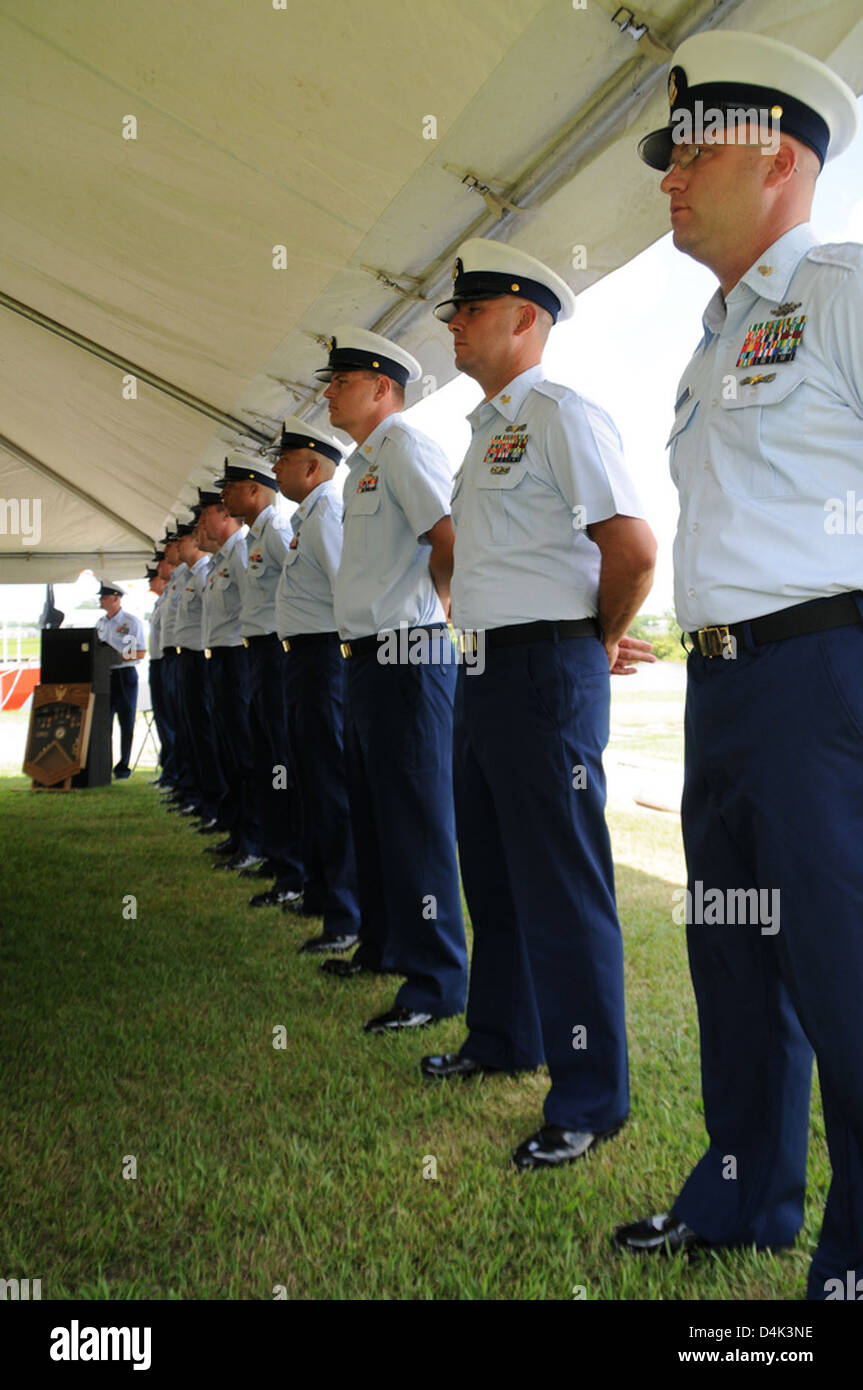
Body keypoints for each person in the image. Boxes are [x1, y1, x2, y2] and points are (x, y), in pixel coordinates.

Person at [612, 31, 863, 1302]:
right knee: (733, 952)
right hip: (720, 688)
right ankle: (742, 1197)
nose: (665, 177)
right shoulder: (713, 339)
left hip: (825, 679)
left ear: (773, 149)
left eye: (689, 149)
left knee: (842, 967)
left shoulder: (838, 289)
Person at [419, 239, 656, 1168]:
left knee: (560, 886)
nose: (453, 323)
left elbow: (631, 551)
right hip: (481, 672)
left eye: (470, 310)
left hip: (544, 671)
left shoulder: (561, 413)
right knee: (494, 871)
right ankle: (503, 1037)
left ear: (525, 317)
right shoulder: (481, 433)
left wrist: (591, 643)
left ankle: (591, 1097)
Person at [316, 326, 469, 1034]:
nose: (327, 393)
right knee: (374, 812)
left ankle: (436, 978)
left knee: (415, 820)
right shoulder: (359, 466)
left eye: (340, 382)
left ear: (382, 388)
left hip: (408, 653)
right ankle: (381, 945)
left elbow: (447, 538)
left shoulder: (405, 446)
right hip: (367, 659)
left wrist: (441, 616)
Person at [270, 414, 360, 955]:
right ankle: (324, 893)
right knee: (311, 779)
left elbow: (344, 586)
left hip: (325, 656)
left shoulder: (326, 512)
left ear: (312, 466)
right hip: (305, 660)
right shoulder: (309, 514)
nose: (275, 468)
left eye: (283, 459)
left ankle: (346, 913)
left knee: (330, 784)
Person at [218, 452, 306, 898]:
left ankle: (292, 867)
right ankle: (276, 855)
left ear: (254, 489)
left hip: (275, 653)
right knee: (265, 757)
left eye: (230, 487)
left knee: (279, 762)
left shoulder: (276, 530)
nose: (224, 495)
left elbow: (299, 586)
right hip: (259, 656)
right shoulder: (256, 534)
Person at [198, 487, 263, 868]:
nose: (203, 523)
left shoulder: (240, 551)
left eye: (207, 515)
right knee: (229, 750)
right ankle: (239, 833)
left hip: (239, 658)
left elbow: (251, 605)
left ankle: (253, 839)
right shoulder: (222, 558)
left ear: (225, 516)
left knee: (245, 751)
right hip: (220, 658)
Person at [172, 515, 227, 828]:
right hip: (191, 657)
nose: (194, 536)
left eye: (187, 536)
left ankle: (217, 804)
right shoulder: (198, 574)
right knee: (193, 733)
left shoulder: (208, 570)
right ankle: (204, 799)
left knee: (211, 737)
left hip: (211, 658)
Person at [96, 580, 145, 780]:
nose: (101, 600)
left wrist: (118, 656)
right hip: (104, 676)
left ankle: (123, 766)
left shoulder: (130, 623)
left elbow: (140, 652)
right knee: (103, 724)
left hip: (124, 676)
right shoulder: (100, 623)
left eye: (104, 597)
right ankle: (103, 764)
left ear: (116, 598)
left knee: (126, 723)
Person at [145, 558, 176, 788]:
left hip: (168, 661)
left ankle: (173, 773)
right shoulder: (161, 602)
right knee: (164, 720)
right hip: (158, 662)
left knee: (171, 721)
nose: (153, 579)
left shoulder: (171, 595)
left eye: (154, 576)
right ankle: (170, 771)